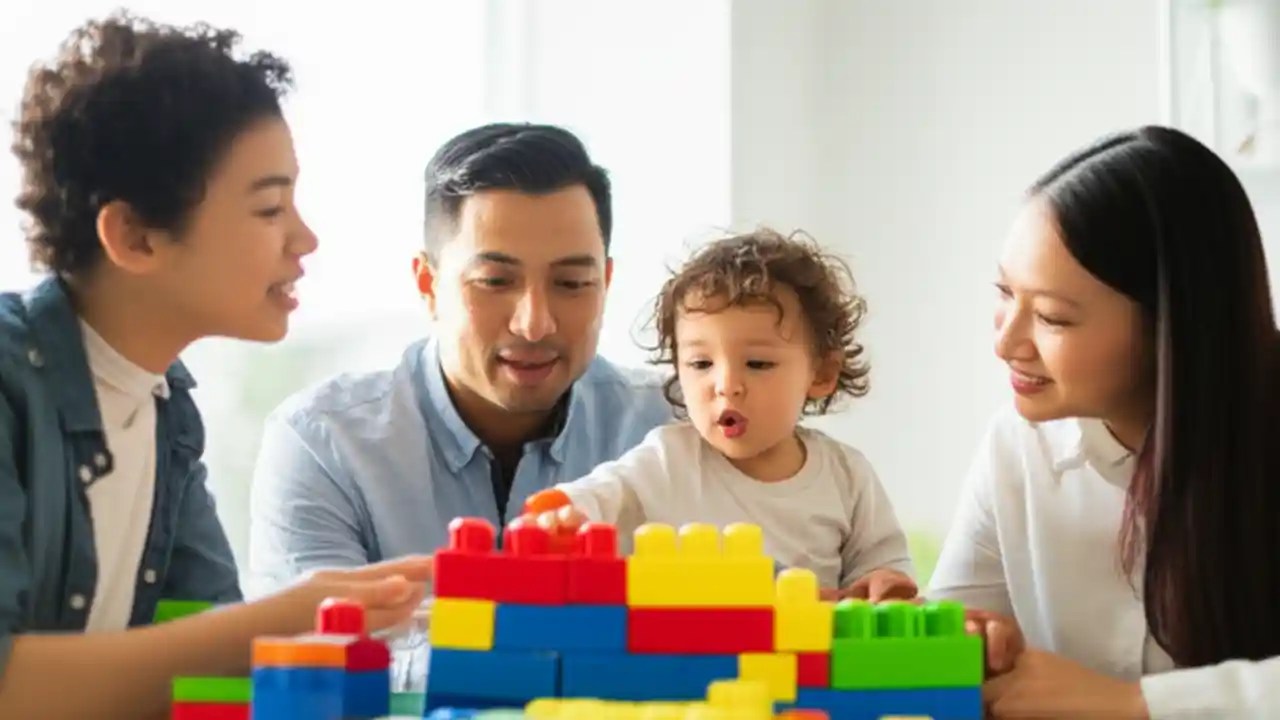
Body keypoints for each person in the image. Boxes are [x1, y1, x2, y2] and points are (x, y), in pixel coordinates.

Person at [0, 13, 430, 718]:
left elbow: (211, 664)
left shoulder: (165, 409)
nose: (305, 239)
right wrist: (288, 612)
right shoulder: (10, 385)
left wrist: (358, 619)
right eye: (269, 209)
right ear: (135, 237)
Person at [927, 125, 1280, 717]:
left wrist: (1137, 704)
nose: (1007, 342)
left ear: (1174, 326)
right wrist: (925, 635)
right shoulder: (1017, 449)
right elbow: (957, 633)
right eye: (1004, 293)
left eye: (1053, 318)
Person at [247, 122, 673, 596]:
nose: (534, 324)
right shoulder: (325, 444)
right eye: (494, 281)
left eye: (572, 283)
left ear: (606, 283)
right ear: (428, 284)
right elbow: (318, 655)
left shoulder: (676, 429)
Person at [529, 229, 917, 601]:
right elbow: (601, 495)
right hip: (689, 658)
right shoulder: (669, 458)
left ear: (821, 374)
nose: (726, 385)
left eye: (758, 363)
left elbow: (881, 565)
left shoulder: (846, 475)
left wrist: (881, 583)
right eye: (700, 363)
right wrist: (563, 514)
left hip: (802, 660)